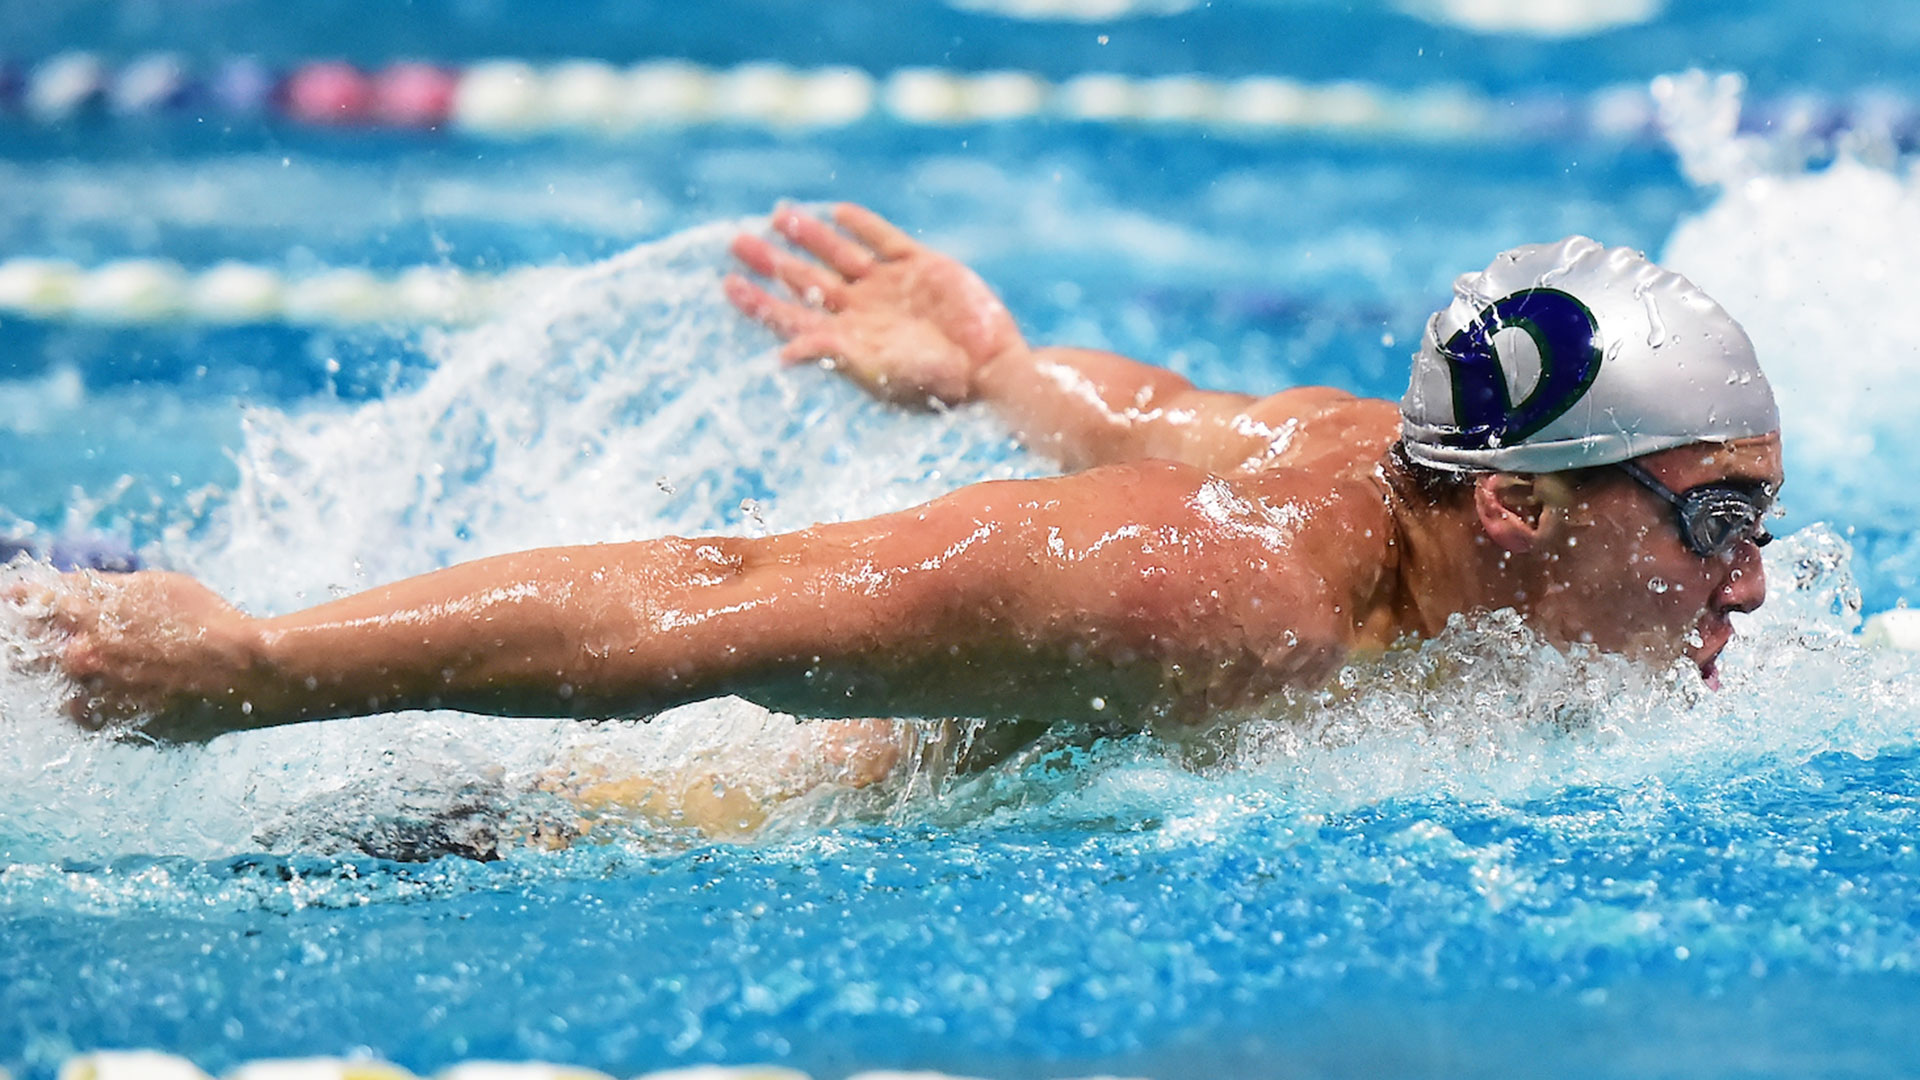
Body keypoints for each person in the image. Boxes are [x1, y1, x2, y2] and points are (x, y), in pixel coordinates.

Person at [3, 205, 1782, 758]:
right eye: (1715, 523)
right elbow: (726, 599)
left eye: (1758, 520)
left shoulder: (1361, 457)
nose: (1755, 586)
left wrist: (996, 374)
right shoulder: (1206, 591)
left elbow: (1155, 404)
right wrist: (258, 675)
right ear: (1519, 506)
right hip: (640, 820)